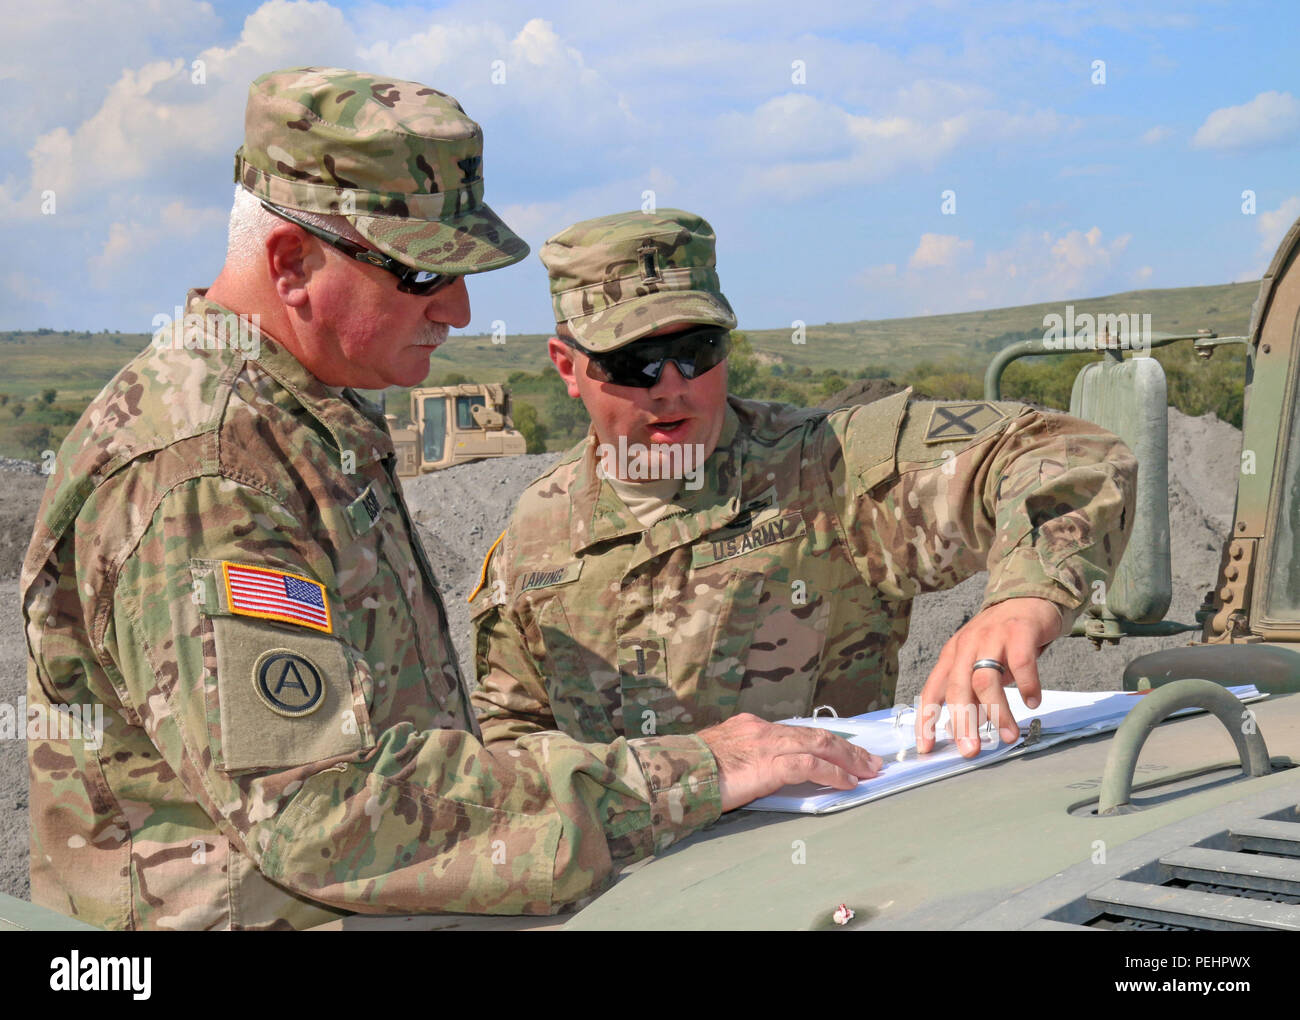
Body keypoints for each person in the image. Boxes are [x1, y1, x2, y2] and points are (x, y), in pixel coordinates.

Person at [21, 70, 880, 931]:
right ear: (292, 265)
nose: (460, 311)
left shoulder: (301, 413)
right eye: (425, 274)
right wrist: (693, 773)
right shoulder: (209, 474)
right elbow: (325, 814)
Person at [470, 209, 1138, 757]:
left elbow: (1068, 451)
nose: (672, 386)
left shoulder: (827, 469)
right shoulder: (535, 532)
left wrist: (1023, 598)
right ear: (568, 366)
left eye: (698, 350)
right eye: (633, 362)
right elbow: (514, 736)